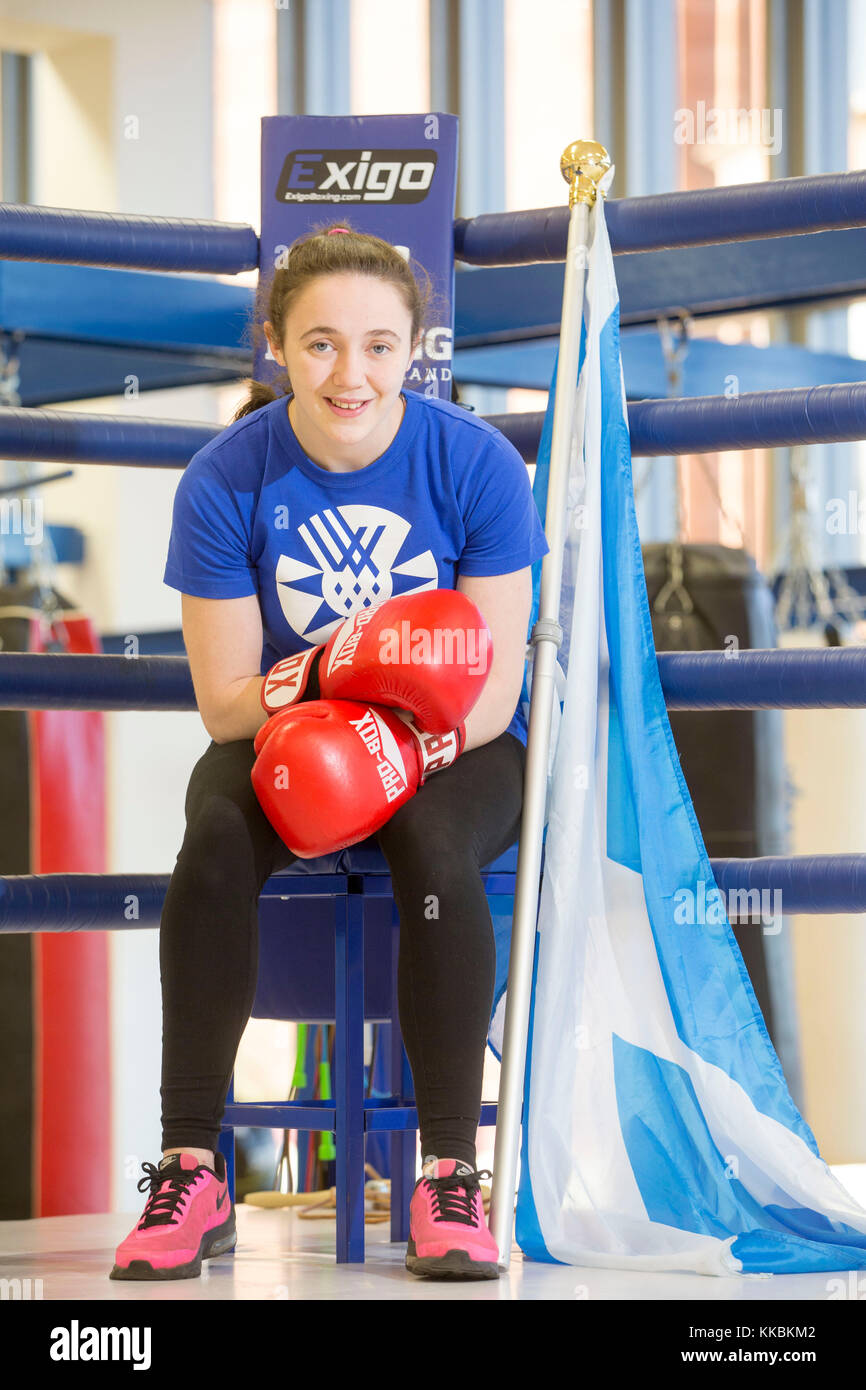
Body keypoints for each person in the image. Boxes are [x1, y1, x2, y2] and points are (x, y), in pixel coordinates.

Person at [110, 221, 549, 1284]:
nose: (350, 373)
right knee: (212, 835)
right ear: (274, 343)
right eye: (318, 344)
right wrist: (348, 662)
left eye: (377, 345)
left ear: (415, 347)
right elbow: (223, 705)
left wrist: (393, 749)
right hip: (281, 728)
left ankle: (448, 1172)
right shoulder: (226, 478)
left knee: (435, 849)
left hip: (455, 741)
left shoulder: (475, 463)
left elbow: (490, 692)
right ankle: (191, 1165)